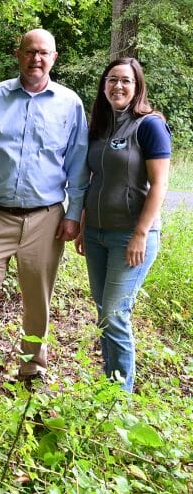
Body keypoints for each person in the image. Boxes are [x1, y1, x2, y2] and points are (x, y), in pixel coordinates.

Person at [0, 29, 90, 397]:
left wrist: (73, 213)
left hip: (46, 219)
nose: (36, 59)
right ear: (18, 54)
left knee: (37, 299)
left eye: (44, 53)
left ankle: (32, 369)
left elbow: (77, 166)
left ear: (54, 58)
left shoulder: (69, 104)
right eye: (30, 52)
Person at [75, 58, 171, 393]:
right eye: (112, 79)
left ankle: (119, 400)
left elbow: (159, 185)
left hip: (130, 236)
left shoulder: (149, 126)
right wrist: (86, 223)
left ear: (137, 86)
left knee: (115, 314)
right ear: (103, 86)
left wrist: (140, 234)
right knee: (105, 314)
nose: (118, 86)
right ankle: (109, 388)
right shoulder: (98, 127)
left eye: (126, 81)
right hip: (97, 234)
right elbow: (93, 178)